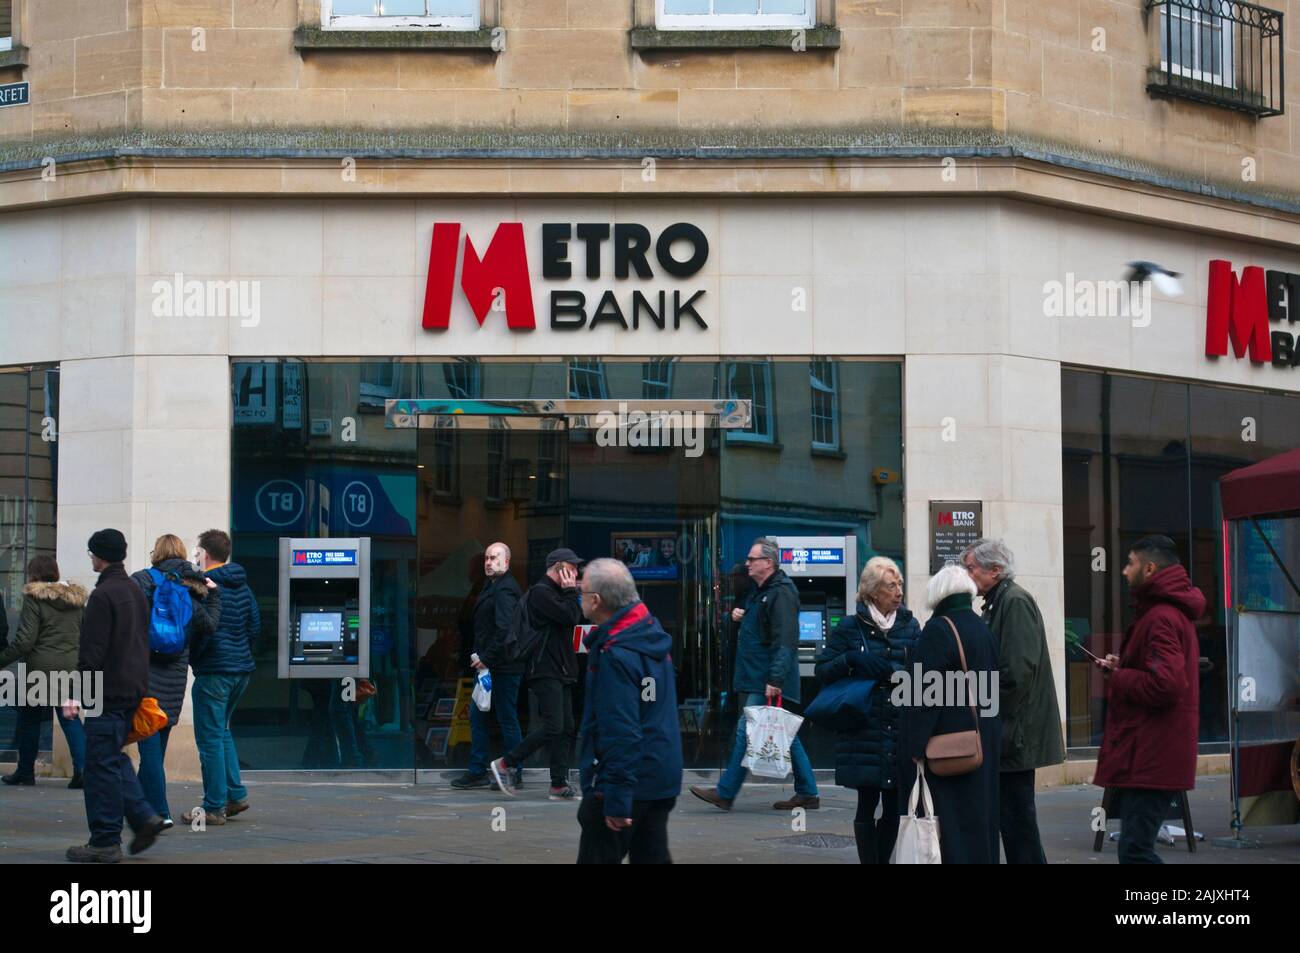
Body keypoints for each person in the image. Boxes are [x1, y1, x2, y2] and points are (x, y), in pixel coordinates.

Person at [1093, 535, 1204, 864]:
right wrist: (1123, 666)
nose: (1125, 572)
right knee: (1135, 848)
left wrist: (1119, 676)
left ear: (1150, 568)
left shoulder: (1160, 618)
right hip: (1153, 751)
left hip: (1152, 753)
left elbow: (1166, 685)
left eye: (1130, 563)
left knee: (1135, 851)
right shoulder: (1165, 614)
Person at [691, 537, 819, 811]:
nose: (747, 563)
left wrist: (775, 679)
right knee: (784, 733)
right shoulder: (759, 592)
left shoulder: (781, 593)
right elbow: (756, 632)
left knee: (745, 731)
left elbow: (785, 640)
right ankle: (808, 791)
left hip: (767, 679)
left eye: (752, 559)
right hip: (757, 676)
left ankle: (725, 793)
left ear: (768, 563)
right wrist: (737, 617)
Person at [64, 529, 167, 863]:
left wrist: (77, 695)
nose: (90, 557)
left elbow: (92, 654)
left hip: (106, 694)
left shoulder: (104, 595)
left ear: (100, 555)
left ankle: (105, 841)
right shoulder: (134, 591)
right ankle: (142, 816)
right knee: (111, 757)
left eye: (92, 552)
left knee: (99, 767)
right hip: (131, 691)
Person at [962, 538, 1064, 864]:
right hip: (1009, 730)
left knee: (1018, 821)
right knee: (1013, 819)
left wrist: (985, 710)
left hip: (1014, 733)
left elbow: (1016, 673)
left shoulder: (1014, 601)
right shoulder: (999, 601)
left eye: (971, 568)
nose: (967, 575)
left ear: (995, 570)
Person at [575, 559, 683, 864]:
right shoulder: (650, 636)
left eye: (581, 593)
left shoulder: (616, 653)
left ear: (595, 600)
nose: (580, 599)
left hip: (628, 783)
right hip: (660, 776)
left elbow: (622, 728)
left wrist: (616, 798)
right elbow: (648, 706)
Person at [814, 556, 920, 863]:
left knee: (893, 803)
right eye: (891, 585)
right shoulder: (850, 627)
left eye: (900, 584)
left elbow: (924, 670)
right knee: (866, 800)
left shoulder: (910, 625)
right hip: (864, 727)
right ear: (873, 591)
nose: (899, 591)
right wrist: (852, 660)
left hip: (899, 724)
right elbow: (823, 670)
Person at [898, 564, 1001, 864]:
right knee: (979, 825)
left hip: (947, 750)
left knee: (951, 827)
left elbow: (921, 696)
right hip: (983, 744)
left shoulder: (939, 630)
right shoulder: (983, 628)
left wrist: (914, 747)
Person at [130, 534, 222, 827]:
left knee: (149, 750)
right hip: (175, 675)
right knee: (155, 748)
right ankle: (142, 810)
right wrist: (215, 595)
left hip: (144, 673)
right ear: (182, 554)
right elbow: (209, 626)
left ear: (155, 553)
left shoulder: (141, 582)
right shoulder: (191, 588)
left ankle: (160, 812)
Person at [490, 548, 585, 800]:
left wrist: (569, 592)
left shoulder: (555, 593)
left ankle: (558, 783)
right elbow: (571, 616)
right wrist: (569, 591)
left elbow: (575, 614)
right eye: (572, 567)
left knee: (566, 727)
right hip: (545, 668)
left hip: (561, 668)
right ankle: (505, 763)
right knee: (554, 726)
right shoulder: (541, 593)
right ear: (558, 567)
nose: (576, 572)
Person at [182, 528, 260, 827]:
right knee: (223, 732)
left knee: (210, 739)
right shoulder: (243, 585)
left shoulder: (205, 586)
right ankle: (235, 794)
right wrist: (240, 652)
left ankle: (214, 806)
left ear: (203, 553)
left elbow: (201, 629)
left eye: (197, 551)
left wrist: (197, 657)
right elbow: (254, 626)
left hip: (215, 671)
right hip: (241, 669)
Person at [0, 556, 88, 788]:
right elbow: (85, 633)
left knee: (30, 720)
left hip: (40, 668)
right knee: (70, 717)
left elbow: (25, 642)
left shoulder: (34, 598)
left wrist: (2, 660)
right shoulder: (76, 600)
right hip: (71, 667)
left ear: (33, 575)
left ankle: (25, 772)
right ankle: (84, 770)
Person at [452, 541, 525, 791]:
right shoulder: (491, 586)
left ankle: (513, 771)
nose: (488, 562)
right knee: (479, 715)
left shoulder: (504, 590)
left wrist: (487, 657)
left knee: (506, 718)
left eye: (494, 558)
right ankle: (478, 770)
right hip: (489, 666)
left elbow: (505, 629)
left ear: (506, 562)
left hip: (502, 666)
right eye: (486, 558)